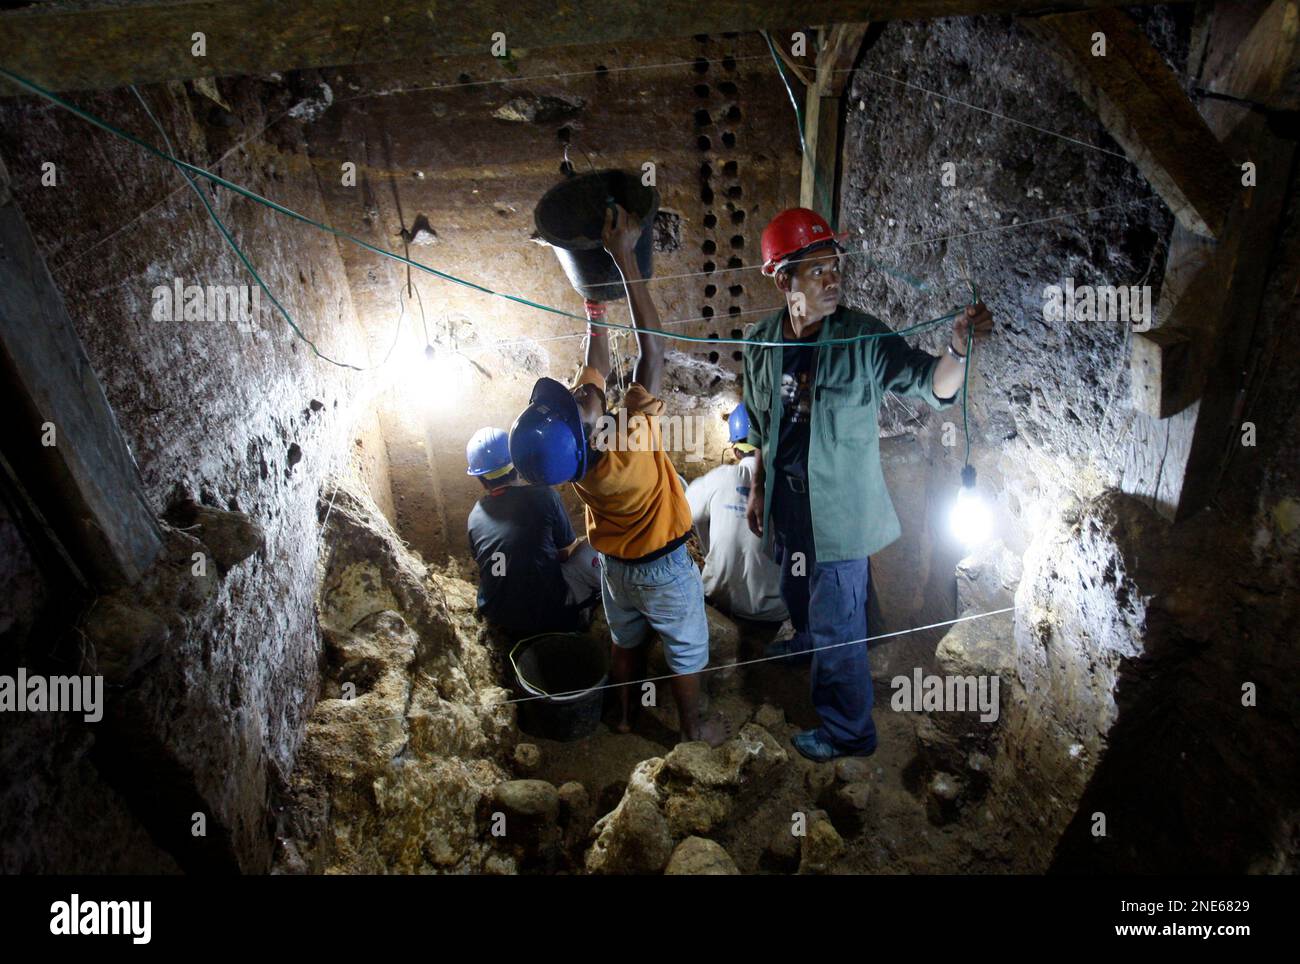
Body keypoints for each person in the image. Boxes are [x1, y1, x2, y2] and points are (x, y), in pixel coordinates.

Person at [742, 207, 994, 762]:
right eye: (818, 270)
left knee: (839, 623)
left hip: (839, 513)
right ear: (784, 280)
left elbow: (933, 385)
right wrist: (758, 487)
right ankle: (808, 641)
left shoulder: (863, 339)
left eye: (837, 267)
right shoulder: (761, 343)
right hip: (789, 503)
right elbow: (761, 425)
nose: (833, 279)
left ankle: (848, 731)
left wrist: (957, 348)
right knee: (795, 591)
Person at [510, 203, 727, 747]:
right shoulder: (628, 438)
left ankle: (626, 716)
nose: (580, 389)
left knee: (625, 641)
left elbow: (596, 370)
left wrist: (594, 308)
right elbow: (653, 347)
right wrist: (625, 259)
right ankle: (692, 729)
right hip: (663, 569)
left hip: (617, 570)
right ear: (588, 428)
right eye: (579, 401)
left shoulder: (578, 456)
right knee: (686, 650)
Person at [465, 427, 600, 638]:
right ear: (517, 465)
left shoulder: (474, 515)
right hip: (544, 611)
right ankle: (582, 614)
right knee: (594, 547)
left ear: (481, 480)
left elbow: (487, 562)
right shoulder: (544, 496)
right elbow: (565, 552)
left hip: (496, 610)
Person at [685, 403, 789, 623]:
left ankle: (719, 570)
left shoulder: (719, 476)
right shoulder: (787, 486)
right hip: (774, 608)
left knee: (701, 513)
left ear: (734, 449)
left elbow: (684, 513)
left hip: (720, 597)